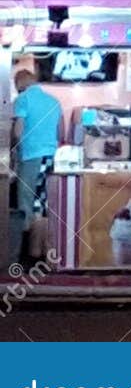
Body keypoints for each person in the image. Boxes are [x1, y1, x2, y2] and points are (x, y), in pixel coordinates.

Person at [12, 70, 63, 264]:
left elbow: (18, 132)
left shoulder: (22, 100)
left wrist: (14, 152)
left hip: (31, 156)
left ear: (19, 84)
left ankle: (28, 255)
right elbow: (61, 132)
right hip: (50, 158)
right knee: (44, 204)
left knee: (27, 203)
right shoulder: (54, 101)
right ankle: (44, 252)